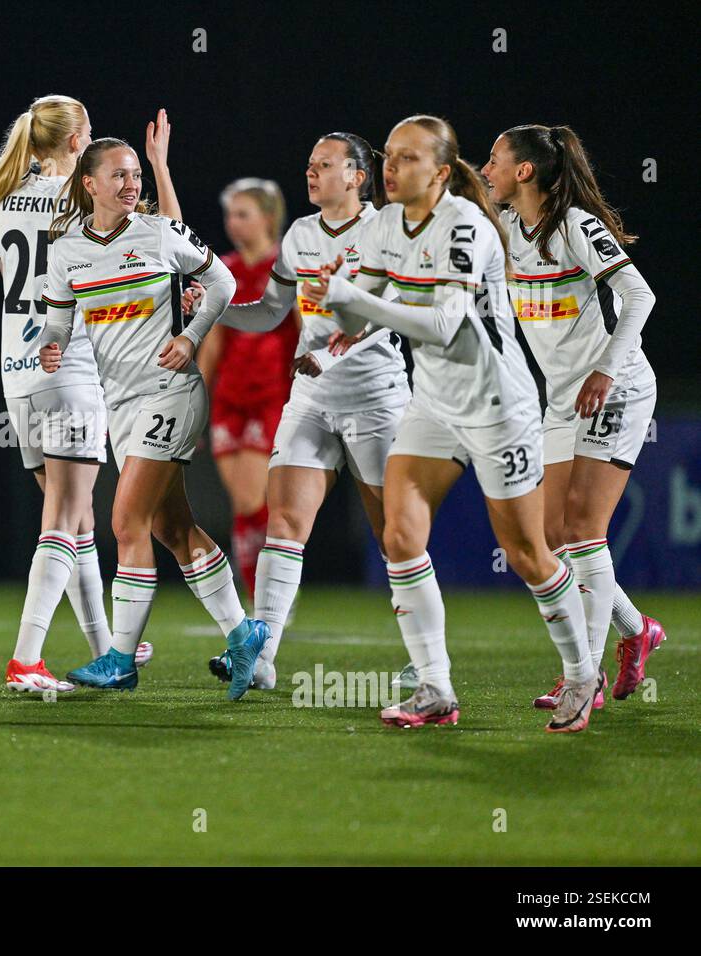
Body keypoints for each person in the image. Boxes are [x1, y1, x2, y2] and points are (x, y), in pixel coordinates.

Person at [302, 115, 599, 733]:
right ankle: (434, 688)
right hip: (434, 405)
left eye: (409, 159)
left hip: (497, 408)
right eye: (390, 155)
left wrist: (357, 301)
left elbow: (441, 325)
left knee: (526, 554)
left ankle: (580, 673)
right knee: (400, 538)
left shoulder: (465, 227)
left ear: (440, 173)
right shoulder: (384, 223)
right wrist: (331, 338)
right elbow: (371, 307)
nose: (392, 167)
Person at [0, 97, 182, 692]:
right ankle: (25, 658)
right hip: (73, 367)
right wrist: (158, 166)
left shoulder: (4, 200)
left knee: (79, 523)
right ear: (78, 141)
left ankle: (108, 651)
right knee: (61, 520)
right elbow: (168, 239)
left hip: (18, 373)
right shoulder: (82, 199)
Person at [38, 137, 267, 699]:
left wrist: (191, 337)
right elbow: (59, 320)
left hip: (170, 392)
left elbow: (223, 282)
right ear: (89, 185)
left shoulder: (160, 232)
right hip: (121, 404)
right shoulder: (67, 250)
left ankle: (120, 658)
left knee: (125, 523)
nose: (130, 183)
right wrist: (51, 342)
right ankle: (244, 633)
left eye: (136, 173)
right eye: (118, 175)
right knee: (172, 528)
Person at [192, 134, 410, 692]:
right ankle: (262, 657)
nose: (311, 173)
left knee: (396, 536)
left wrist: (339, 346)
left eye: (325, 165)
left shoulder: (389, 229)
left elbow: (402, 310)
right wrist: (217, 307)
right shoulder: (301, 234)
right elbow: (269, 312)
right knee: (283, 525)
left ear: (358, 175)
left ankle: (428, 663)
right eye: (309, 165)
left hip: (375, 396)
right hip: (311, 397)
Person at [482, 124, 665, 705]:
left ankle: (582, 677)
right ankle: (637, 632)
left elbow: (641, 296)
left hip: (617, 388)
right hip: (562, 400)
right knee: (553, 537)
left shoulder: (574, 228)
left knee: (584, 530)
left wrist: (607, 370)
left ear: (524, 172)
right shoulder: (506, 232)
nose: (486, 169)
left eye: (494, 159)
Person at [196, 178, 298, 599]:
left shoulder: (288, 267)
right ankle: (262, 596)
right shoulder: (225, 269)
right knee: (243, 504)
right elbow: (214, 344)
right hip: (229, 400)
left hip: (272, 396)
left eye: (243, 214)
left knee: (257, 499)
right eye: (229, 215)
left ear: (269, 218)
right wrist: (195, 403)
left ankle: (270, 597)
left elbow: (305, 331)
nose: (232, 223)